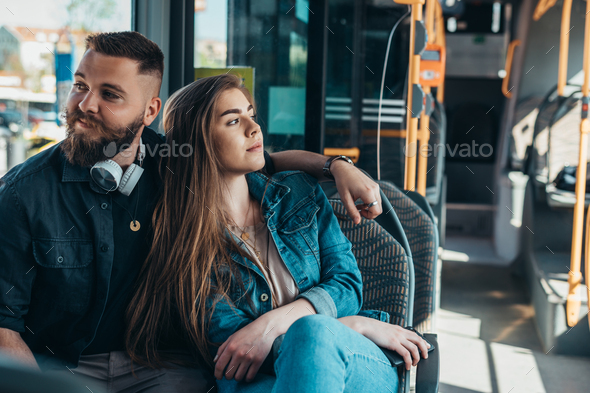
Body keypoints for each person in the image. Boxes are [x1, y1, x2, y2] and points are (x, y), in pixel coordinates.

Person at [0, 32, 383, 392]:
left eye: (110, 94)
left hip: (156, 364)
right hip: (63, 366)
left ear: (150, 111)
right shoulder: (23, 193)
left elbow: (261, 162)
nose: (85, 105)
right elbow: (4, 325)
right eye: (80, 85)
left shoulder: (175, 161)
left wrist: (338, 166)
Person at [126, 74, 430, 393]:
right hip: (258, 381)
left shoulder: (297, 194)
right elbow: (238, 349)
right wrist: (356, 325)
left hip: (352, 362)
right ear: (199, 142)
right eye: (233, 121)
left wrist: (275, 325)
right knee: (308, 338)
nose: (253, 128)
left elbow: (348, 286)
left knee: (311, 336)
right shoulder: (187, 243)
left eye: (251, 115)